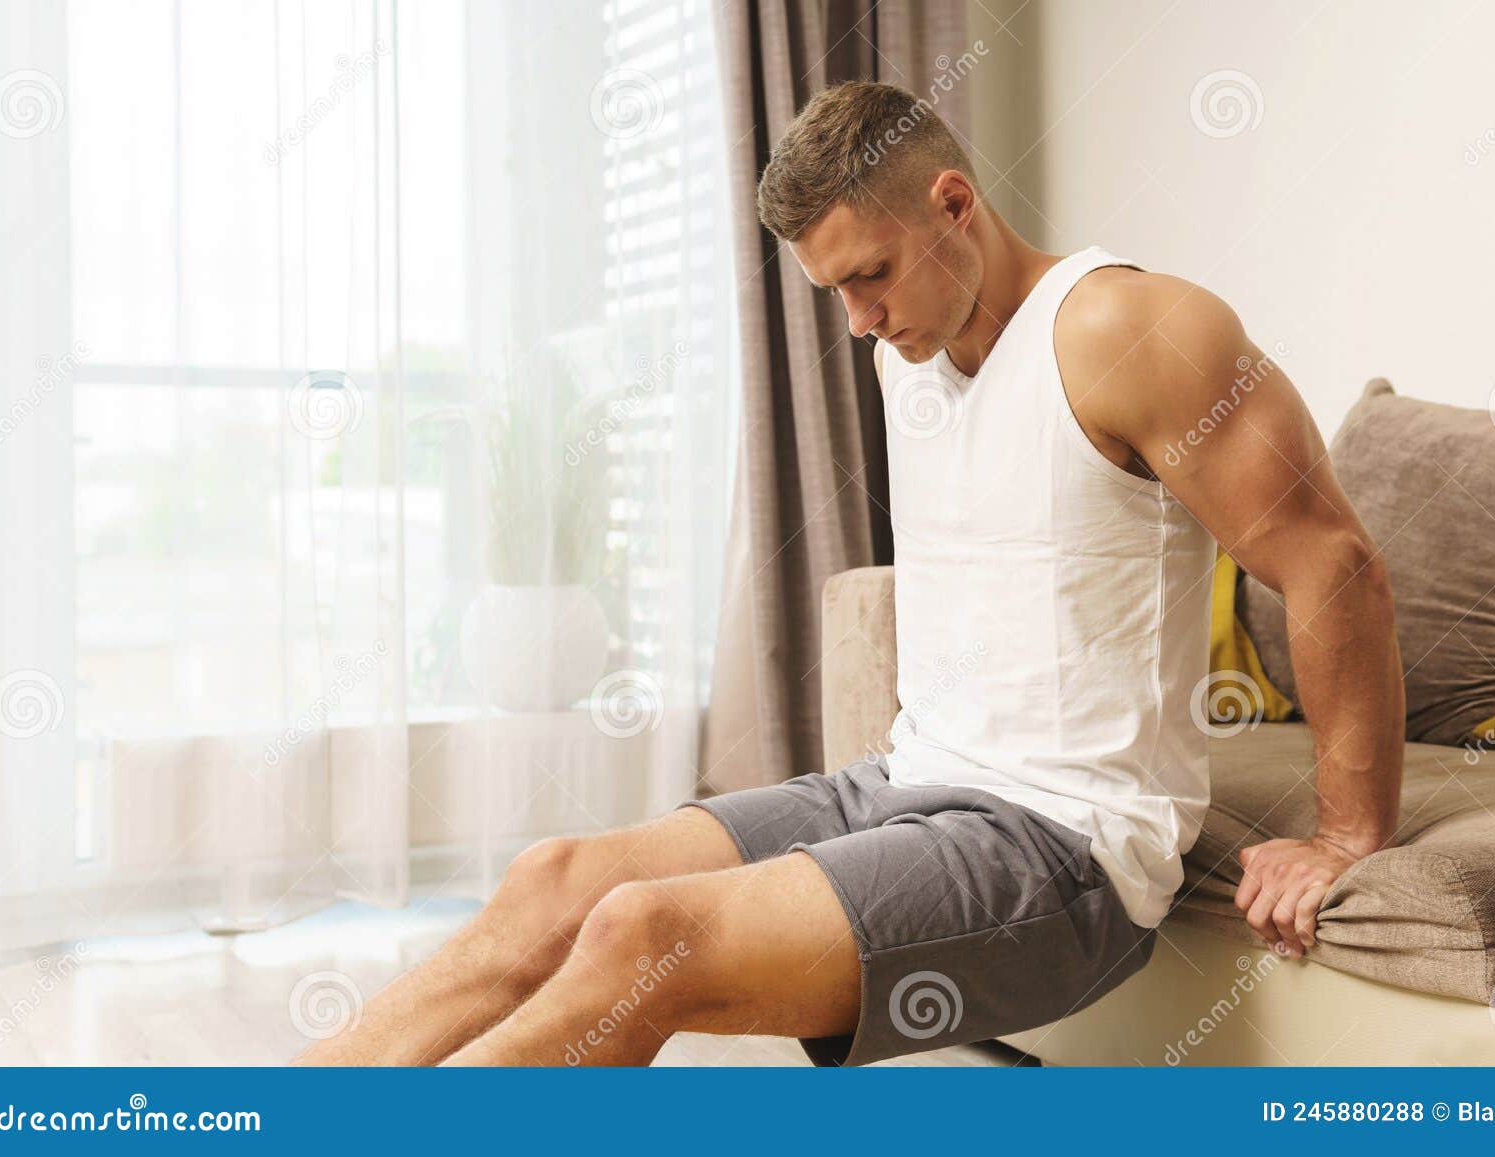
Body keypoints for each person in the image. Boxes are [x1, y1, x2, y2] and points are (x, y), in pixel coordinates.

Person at [294, 80, 1404, 1068]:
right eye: (835, 290)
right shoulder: (899, 355)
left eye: (871, 275)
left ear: (955, 205)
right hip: (901, 783)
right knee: (554, 878)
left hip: (1062, 848)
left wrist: (1346, 833)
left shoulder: (1128, 326)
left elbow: (1331, 559)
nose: (861, 319)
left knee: (643, 937)